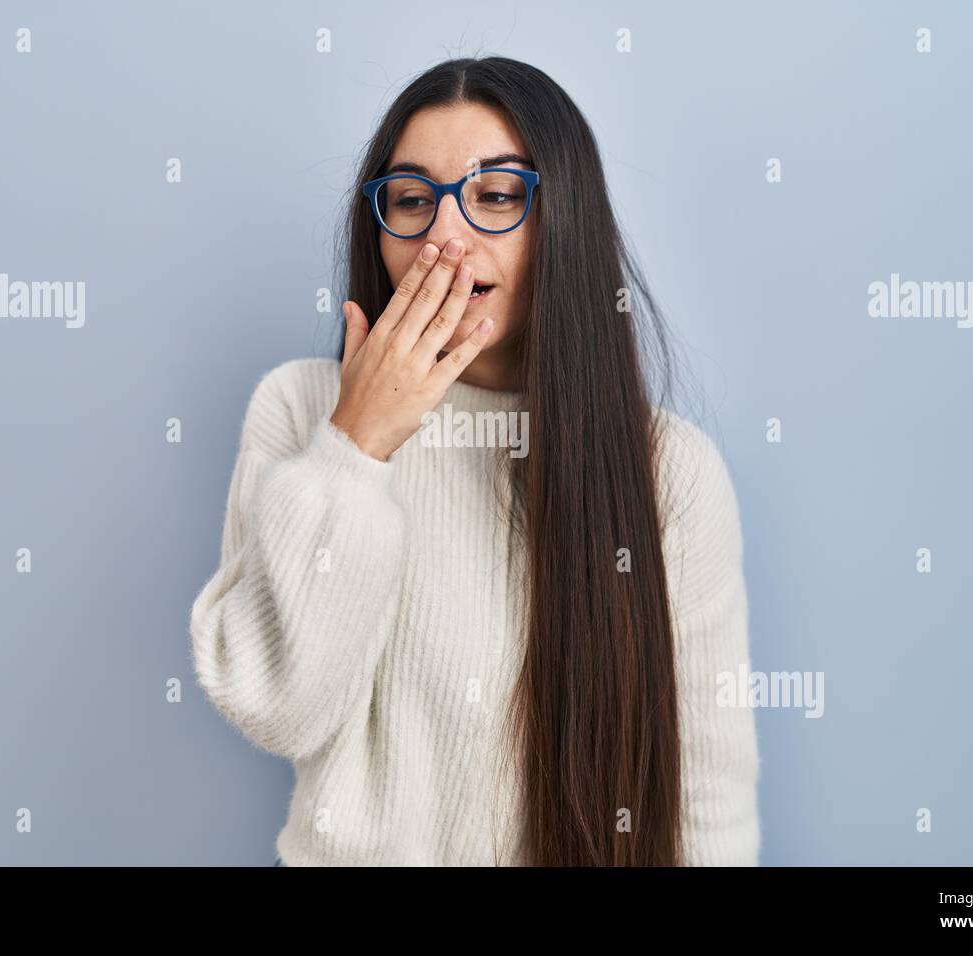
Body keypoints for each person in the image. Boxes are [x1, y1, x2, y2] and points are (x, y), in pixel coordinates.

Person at [190, 56, 760, 867]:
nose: (443, 238)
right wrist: (357, 446)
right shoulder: (301, 410)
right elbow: (275, 706)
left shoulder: (671, 471)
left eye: (495, 196)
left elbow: (709, 798)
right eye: (413, 201)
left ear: (564, 219)